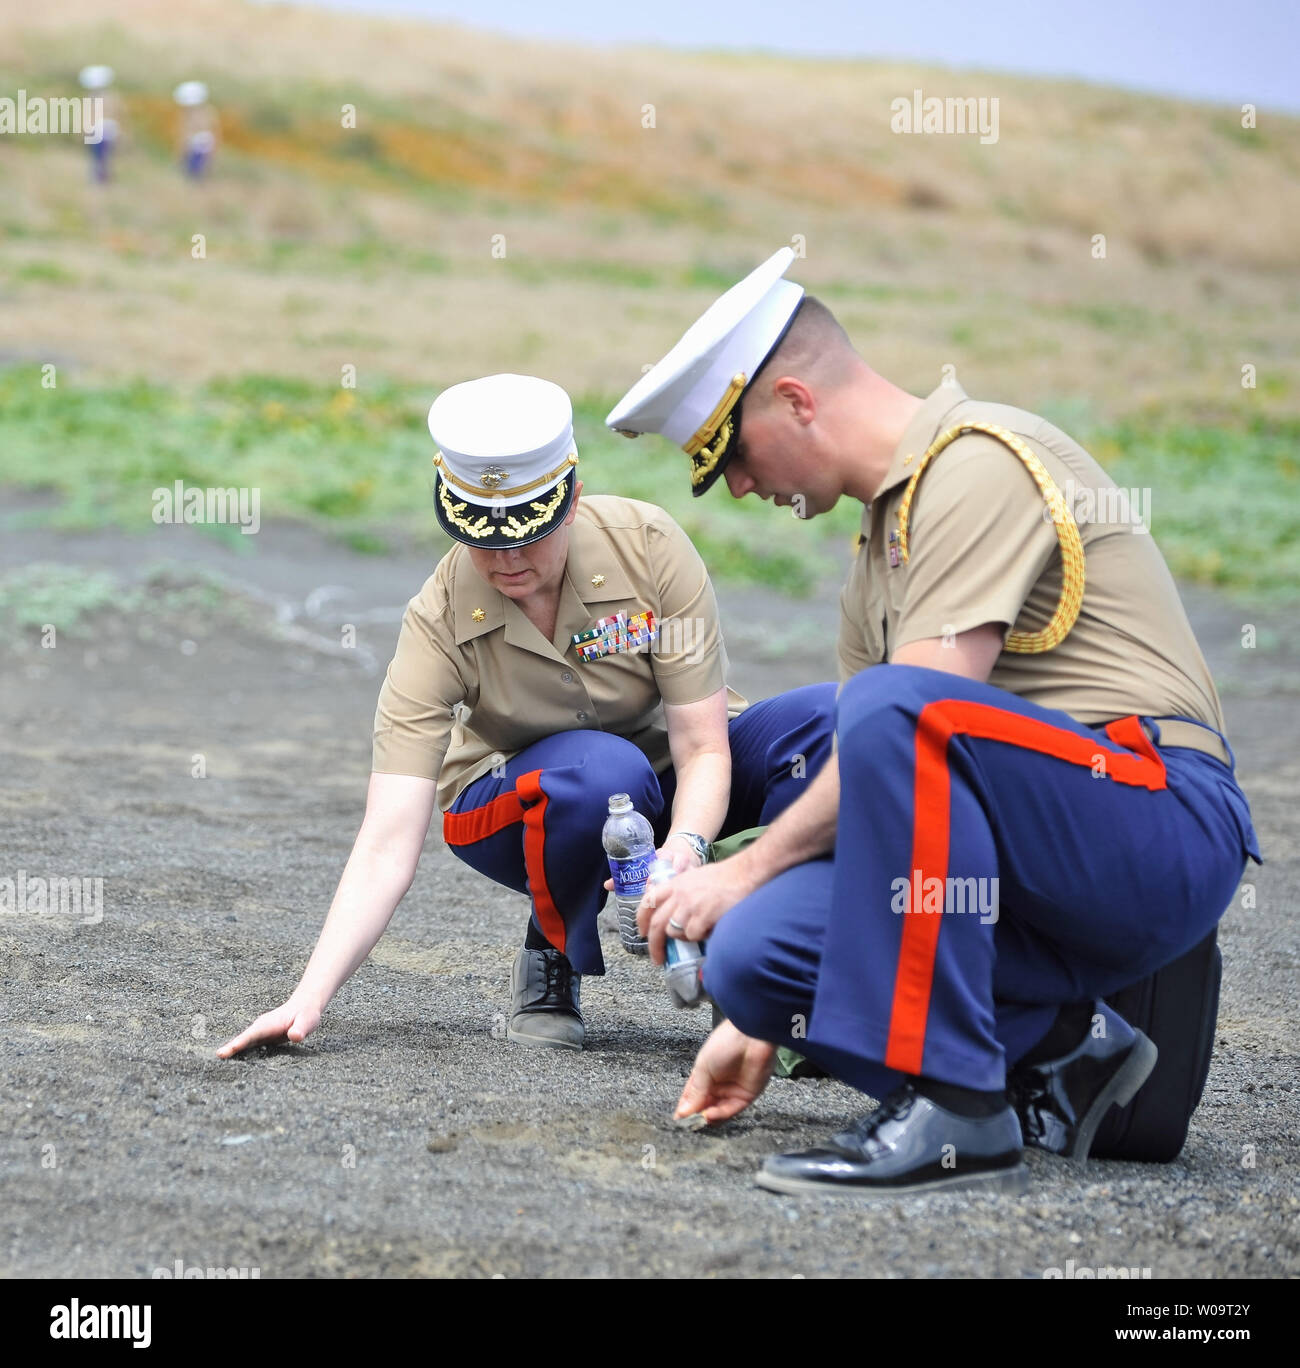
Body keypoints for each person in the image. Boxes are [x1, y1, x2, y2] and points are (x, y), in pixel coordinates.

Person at [604, 249, 1261, 1196]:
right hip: (1031, 863)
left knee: (882, 709)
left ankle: (955, 1106)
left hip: (1154, 828)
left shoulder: (979, 461)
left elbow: (914, 719)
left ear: (795, 400)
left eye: (732, 455)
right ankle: (1065, 1054)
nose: (740, 488)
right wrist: (755, 1021)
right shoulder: (878, 551)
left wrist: (736, 869)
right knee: (753, 959)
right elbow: (879, 795)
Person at [218, 374, 833, 1061]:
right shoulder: (437, 619)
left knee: (826, 723)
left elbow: (703, 748)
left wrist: (688, 855)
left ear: (568, 500)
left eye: (527, 534)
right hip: (522, 801)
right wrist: (309, 998)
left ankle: (764, 965)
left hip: (677, 776)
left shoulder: (650, 547)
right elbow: (388, 836)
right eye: (483, 537)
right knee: (603, 772)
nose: (506, 559)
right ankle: (552, 951)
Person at [173, 82, 218, 180]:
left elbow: (185, 138)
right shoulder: (209, 111)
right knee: (198, 176)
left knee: (193, 176)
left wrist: (180, 155)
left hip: (195, 149)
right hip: (203, 147)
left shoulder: (190, 116)